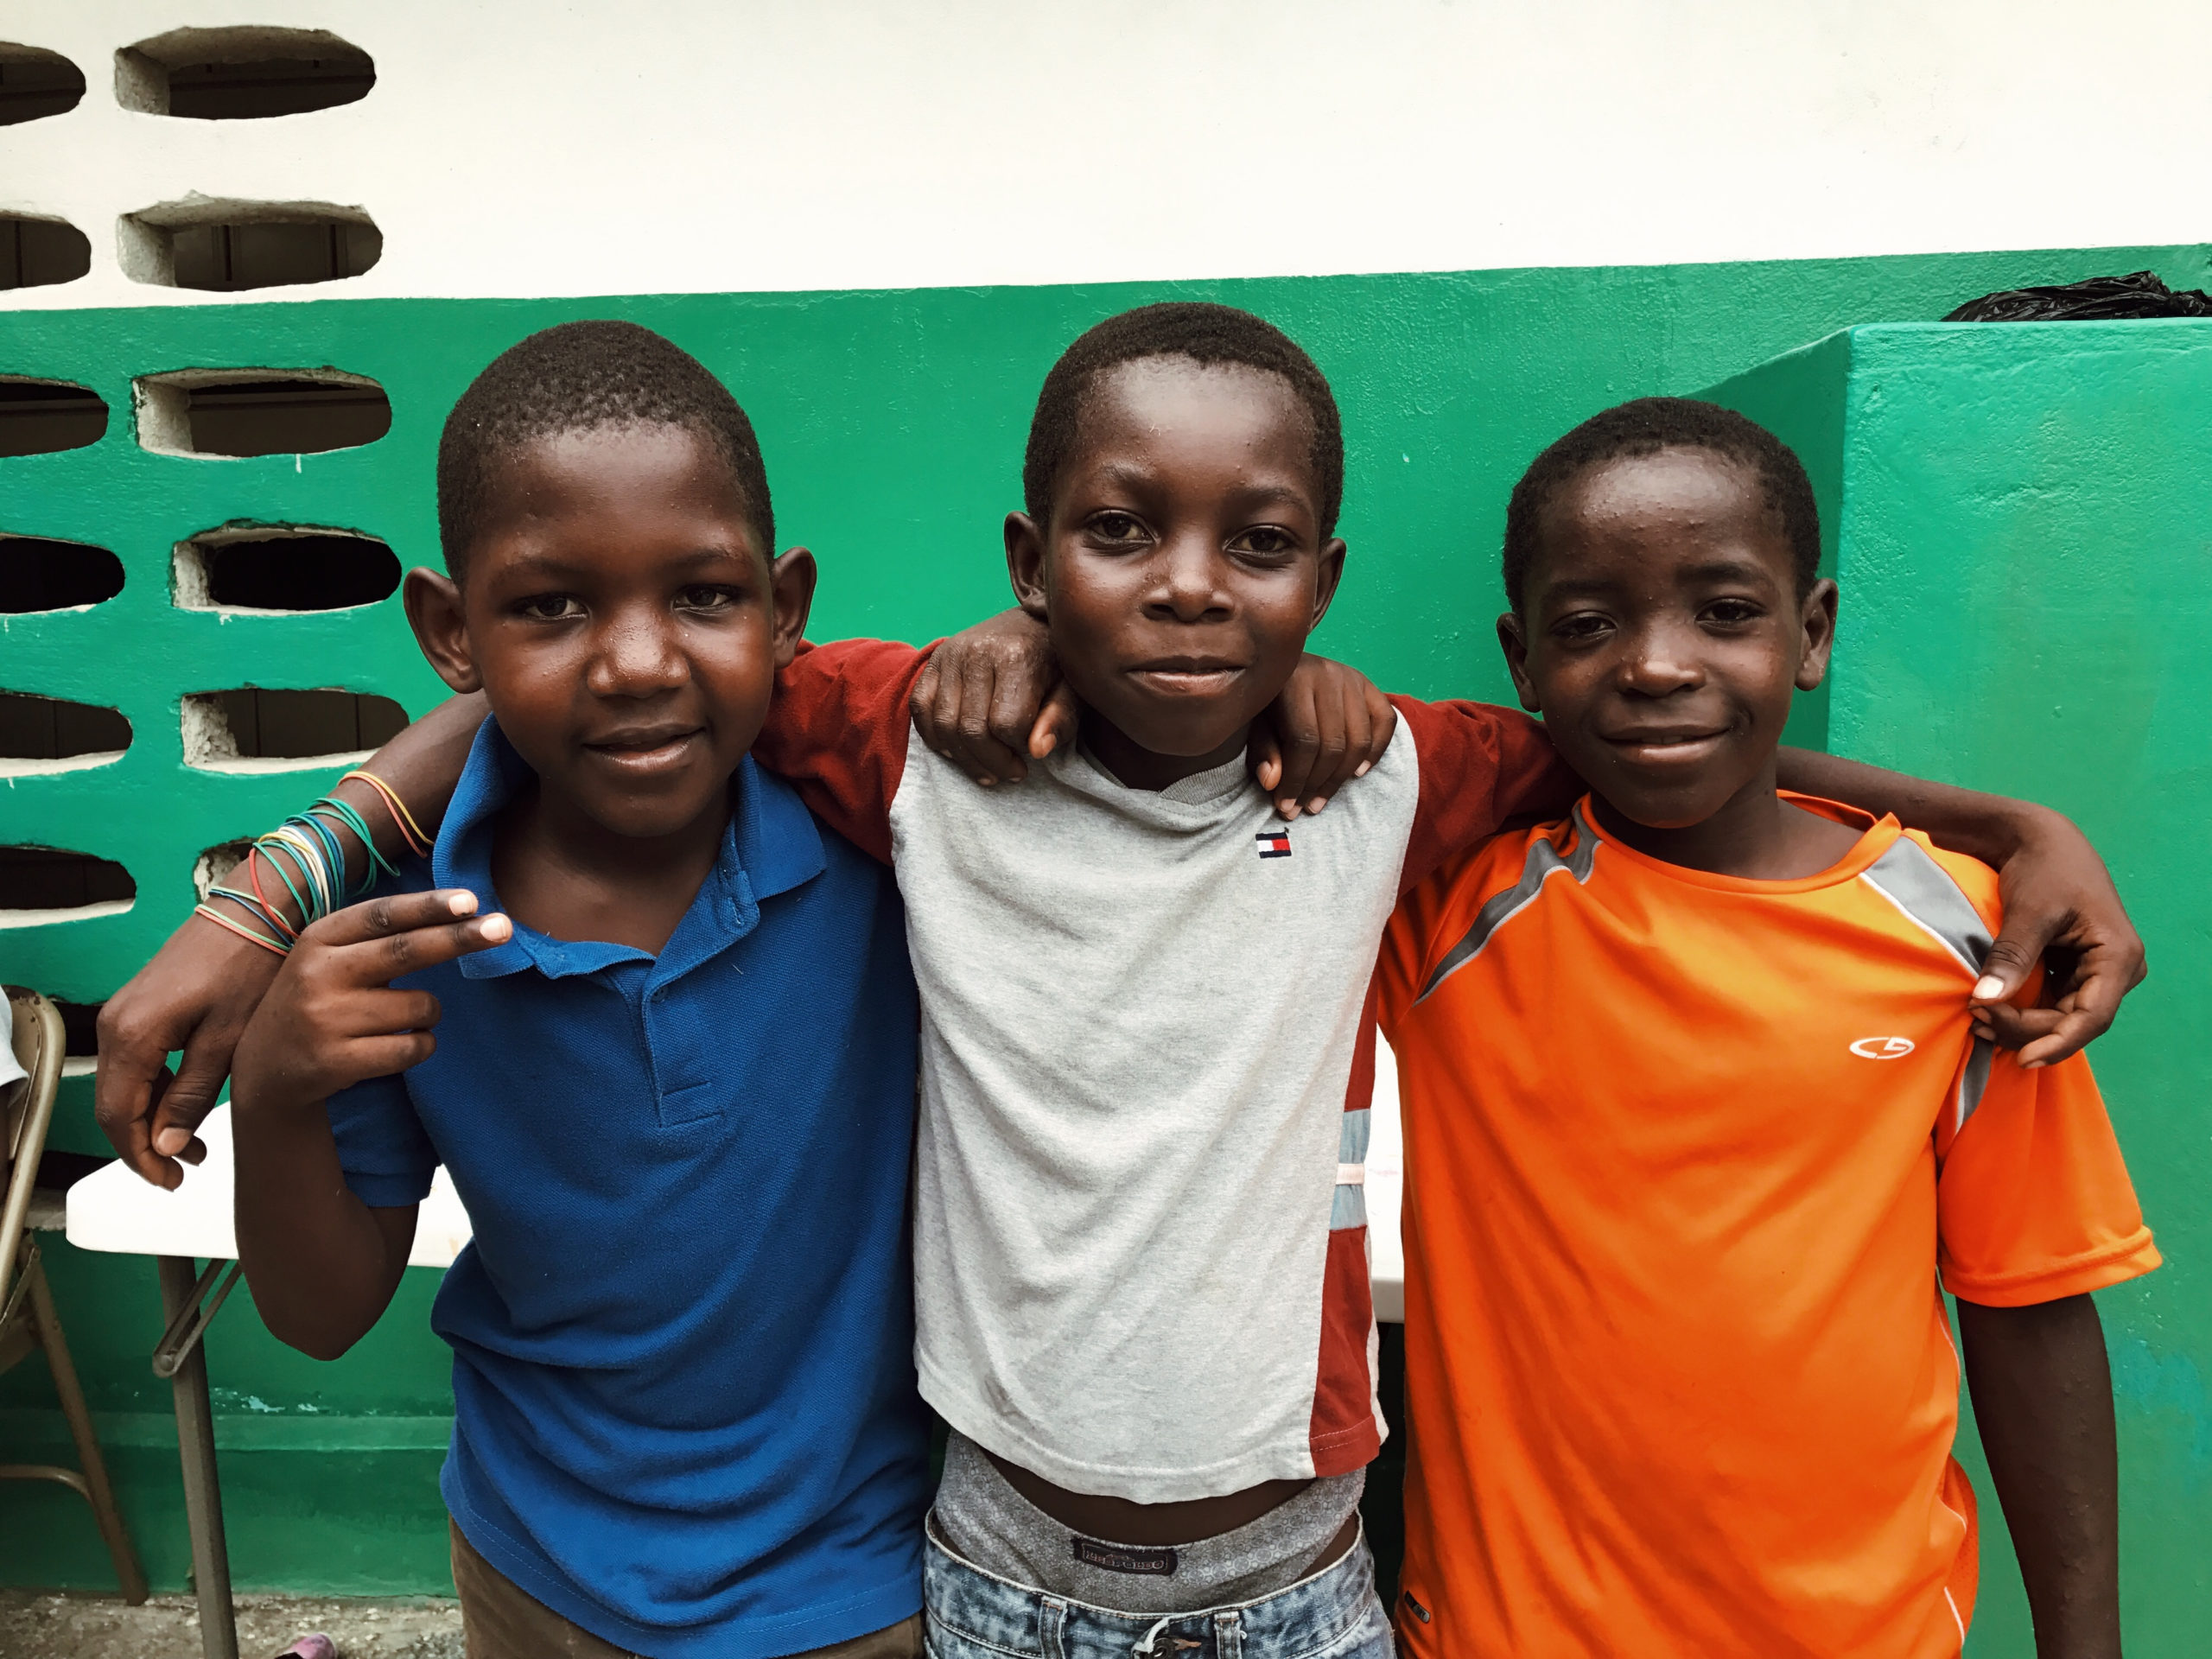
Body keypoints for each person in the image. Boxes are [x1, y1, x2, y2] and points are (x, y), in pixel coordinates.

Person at [105, 307, 2145, 1649]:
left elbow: (1665, 729)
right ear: (1027, 559)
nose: (1182, 583)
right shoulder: (898, 748)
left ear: (1320, 584)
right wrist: (273, 886)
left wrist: (1999, 823)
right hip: (974, 1556)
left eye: (1250, 545)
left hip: (1295, 1562)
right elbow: (569, 699)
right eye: (1117, 534)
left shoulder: (1393, 777)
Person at [1376, 397, 2160, 1657]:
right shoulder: (1451, 917)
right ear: (1522, 662)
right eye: (1590, 626)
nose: (1658, 664)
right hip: (1510, 1631)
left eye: (1727, 612)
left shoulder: (1970, 941)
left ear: (1815, 633)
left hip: (1866, 1633)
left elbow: (2032, 1301)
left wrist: (2087, 1642)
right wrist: (2021, 819)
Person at [225, 321, 937, 1659]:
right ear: (452, 630)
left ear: (786, 608)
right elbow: (319, 1320)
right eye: (551, 606)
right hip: (540, 1579)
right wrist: (270, 1088)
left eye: (704, 596)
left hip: (862, 1583)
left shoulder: (887, 848)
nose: (637, 662)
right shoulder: (403, 937)